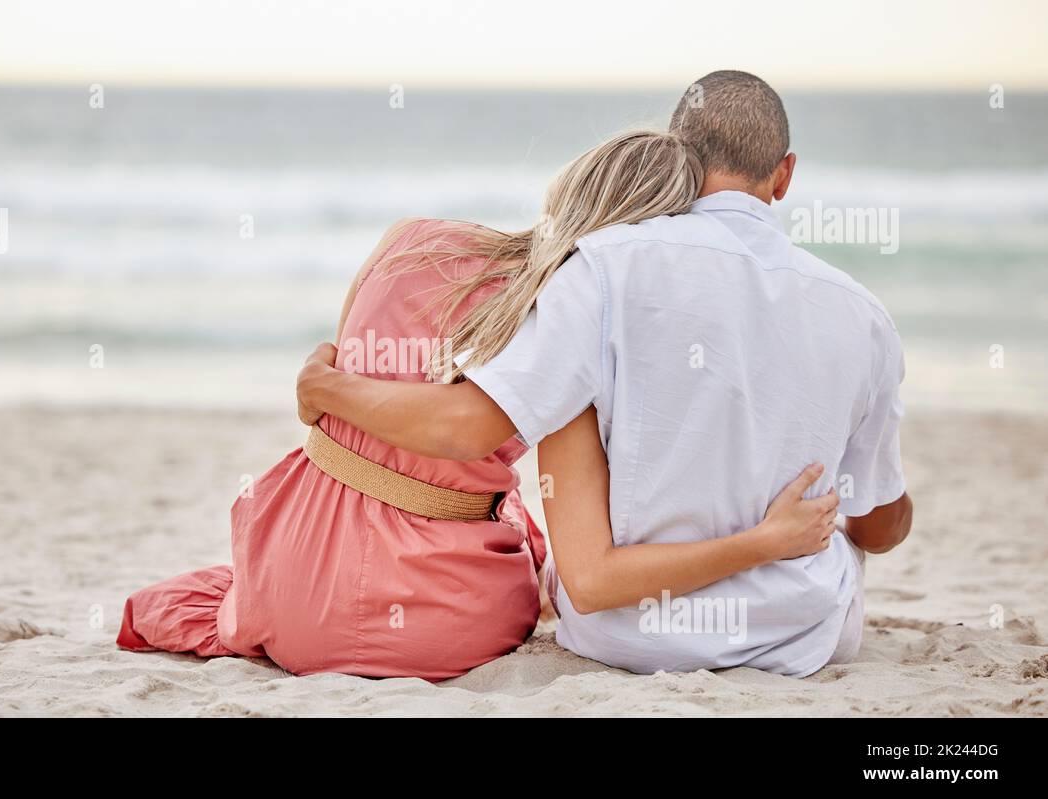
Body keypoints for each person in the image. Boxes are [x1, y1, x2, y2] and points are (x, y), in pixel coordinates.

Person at [119, 129, 842, 681]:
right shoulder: (575, 316)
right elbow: (469, 431)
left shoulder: (411, 243)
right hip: (438, 619)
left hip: (290, 570)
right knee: (531, 550)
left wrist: (323, 390)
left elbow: (354, 373)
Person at [296, 71, 913, 676]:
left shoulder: (601, 268)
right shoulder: (862, 314)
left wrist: (327, 388)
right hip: (801, 635)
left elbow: (468, 428)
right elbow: (881, 526)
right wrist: (815, 519)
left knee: (581, 400)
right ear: (785, 175)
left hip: (629, 636)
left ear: (682, 162)